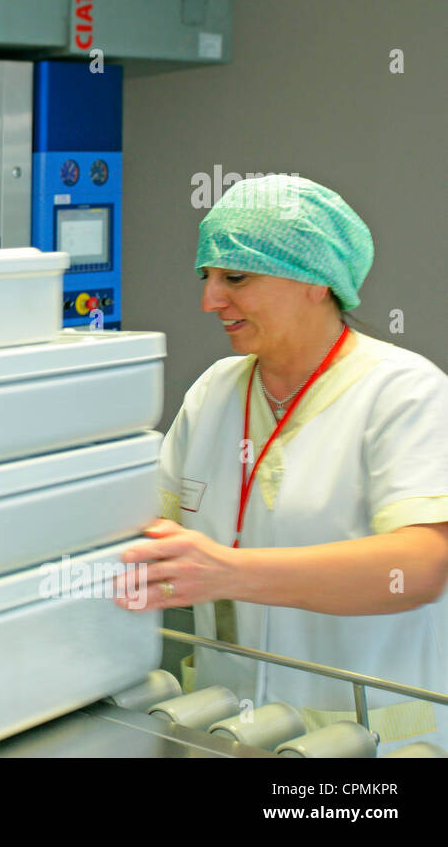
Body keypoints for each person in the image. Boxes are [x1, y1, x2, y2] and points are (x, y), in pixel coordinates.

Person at [118, 174, 448, 753]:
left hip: (365, 743)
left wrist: (227, 571)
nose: (210, 300)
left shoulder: (405, 394)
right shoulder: (215, 392)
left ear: (315, 281)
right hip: (226, 728)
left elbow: (421, 566)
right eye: (208, 277)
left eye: (236, 278)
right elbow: (150, 527)